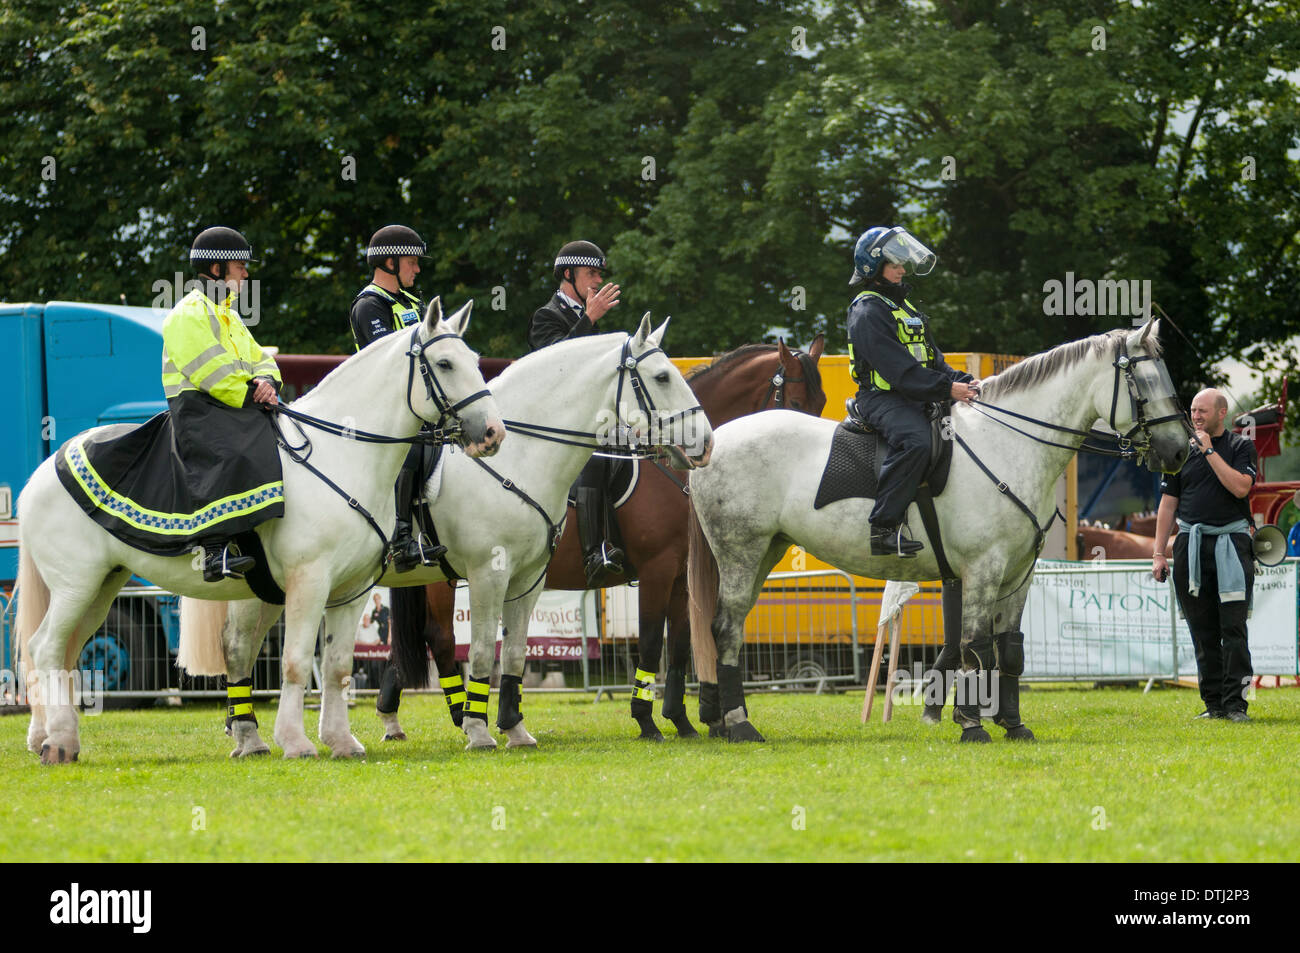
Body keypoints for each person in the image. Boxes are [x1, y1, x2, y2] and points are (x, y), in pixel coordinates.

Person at [845, 225, 979, 557]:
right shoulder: (867, 311)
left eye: (902, 263)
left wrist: (967, 381)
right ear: (874, 269)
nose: (902, 269)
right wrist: (947, 389)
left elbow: (934, 361)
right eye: (894, 264)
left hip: (914, 392)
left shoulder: (904, 307)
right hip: (883, 398)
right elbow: (900, 372)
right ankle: (883, 527)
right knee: (916, 441)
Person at [162, 226, 283, 582]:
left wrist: (268, 383)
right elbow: (211, 371)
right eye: (240, 267)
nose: (246, 274)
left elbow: (261, 358)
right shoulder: (187, 313)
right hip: (199, 407)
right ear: (217, 270)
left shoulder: (229, 315)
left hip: (233, 400)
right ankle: (213, 550)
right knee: (233, 450)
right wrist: (252, 392)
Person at [1152, 388, 1257, 722]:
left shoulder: (1242, 447)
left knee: (1234, 630)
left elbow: (1241, 487)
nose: (1195, 416)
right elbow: (1168, 504)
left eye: (1203, 411)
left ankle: (1237, 705)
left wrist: (1210, 451)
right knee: (1203, 631)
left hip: (1232, 546)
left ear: (1221, 413)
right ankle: (1213, 705)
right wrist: (1158, 553)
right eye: (1193, 410)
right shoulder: (1179, 451)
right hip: (1191, 547)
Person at [349, 224, 445, 572]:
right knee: (411, 446)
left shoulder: (416, 302)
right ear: (390, 262)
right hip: (384, 405)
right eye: (412, 262)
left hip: (420, 401)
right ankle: (401, 538)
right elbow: (390, 361)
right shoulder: (369, 305)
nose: (417, 269)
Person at [529, 240, 625, 582]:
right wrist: (589, 318)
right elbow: (558, 366)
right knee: (595, 457)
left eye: (600, 273)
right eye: (591, 273)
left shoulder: (584, 314)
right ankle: (593, 552)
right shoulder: (546, 316)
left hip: (590, 416)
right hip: (554, 423)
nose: (597, 280)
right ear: (568, 274)